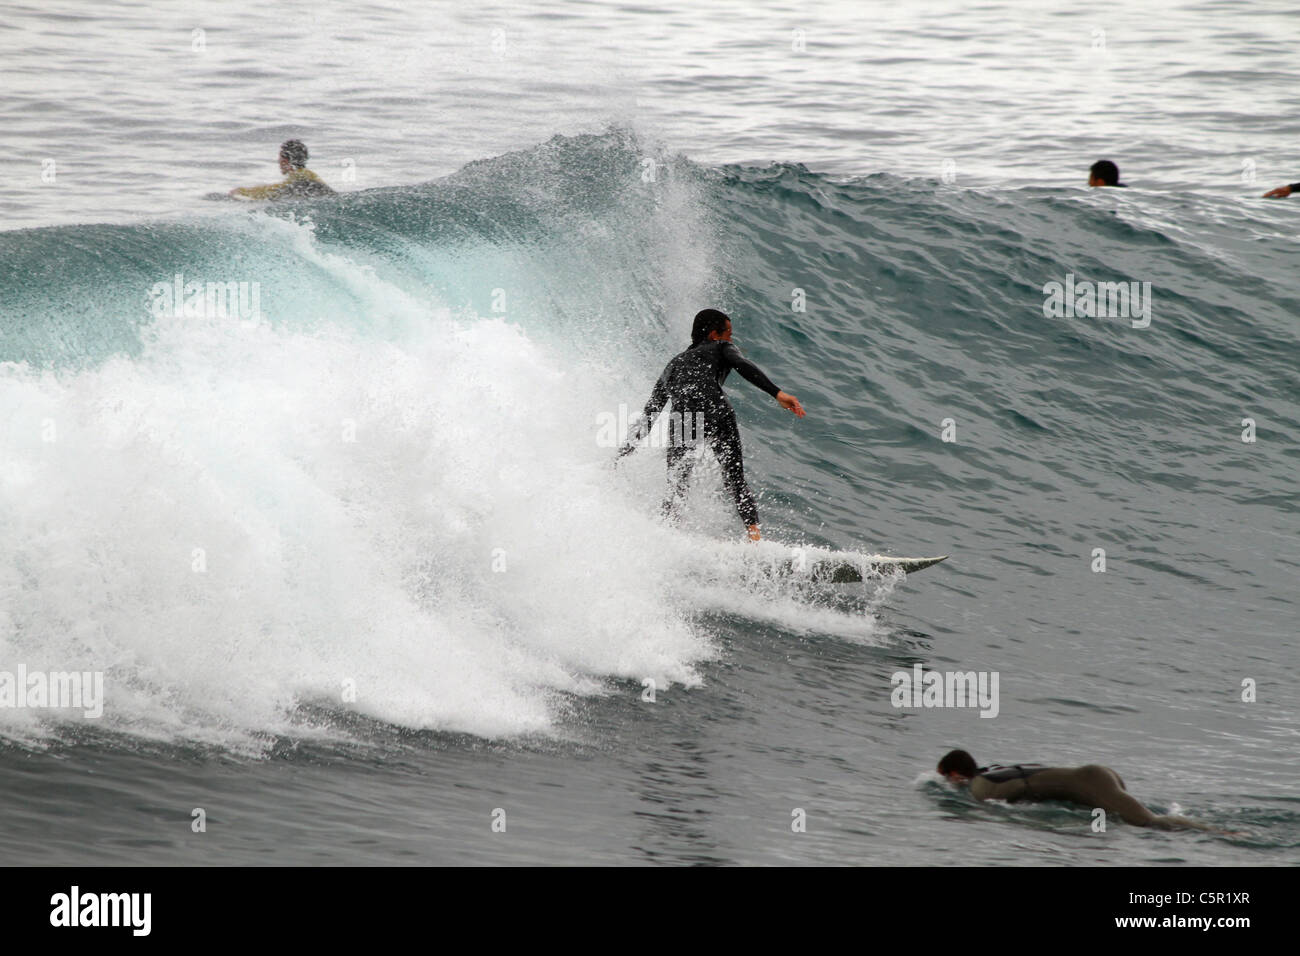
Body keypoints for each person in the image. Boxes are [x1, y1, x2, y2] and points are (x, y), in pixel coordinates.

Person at [617, 309, 804, 542]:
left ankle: (666, 537)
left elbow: (650, 415)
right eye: (729, 334)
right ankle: (755, 540)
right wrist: (776, 393)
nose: (731, 339)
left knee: (677, 484)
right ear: (715, 334)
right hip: (716, 410)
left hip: (684, 420)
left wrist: (622, 455)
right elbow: (743, 365)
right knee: (734, 478)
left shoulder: (672, 365)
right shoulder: (721, 347)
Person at [936, 749, 1224, 831]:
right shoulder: (994, 769)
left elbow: (999, 807)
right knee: (1133, 818)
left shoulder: (980, 786)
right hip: (1094, 777)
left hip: (1091, 783)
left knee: (1150, 822)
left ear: (954, 775)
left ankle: (1221, 833)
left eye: (947, 778)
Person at [229, 140, 335, 200]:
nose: (278, 161)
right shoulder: (307, 175)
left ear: (285, 160)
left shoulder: (300, 177)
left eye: (280, 158)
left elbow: (273, 191)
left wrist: (242, 191)